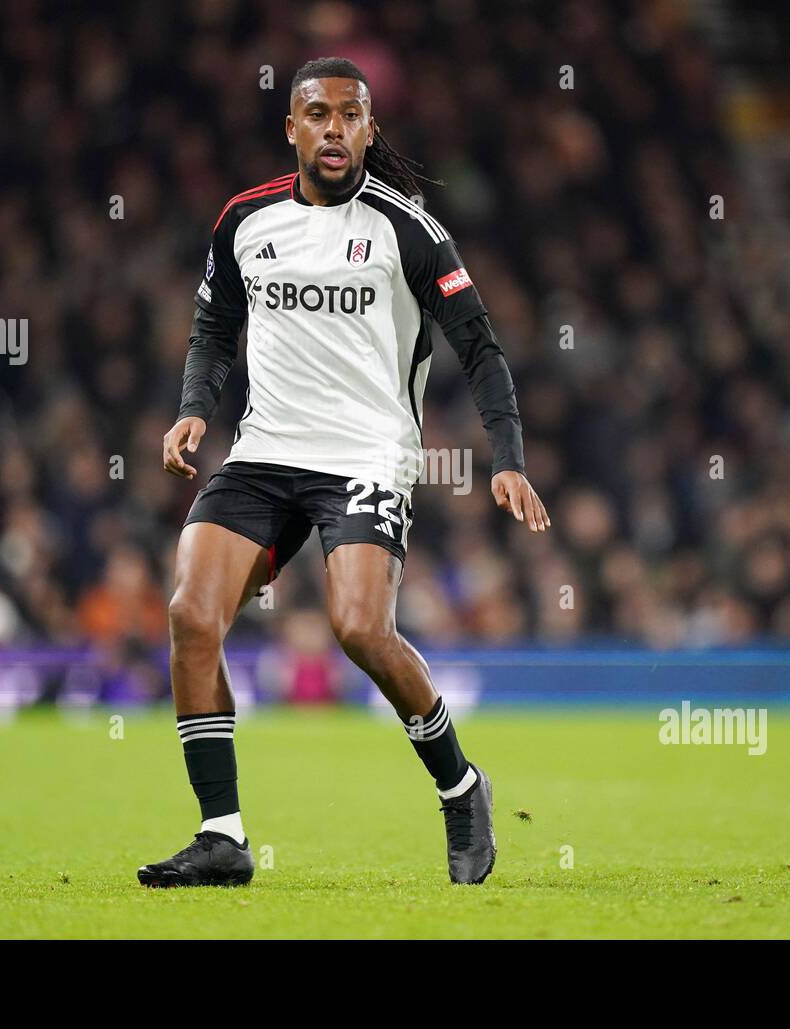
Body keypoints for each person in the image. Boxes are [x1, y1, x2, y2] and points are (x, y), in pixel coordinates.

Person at [137, 57, 549, 888]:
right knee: (190, 613)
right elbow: (213, 326)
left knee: (359, 626)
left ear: (370, 128)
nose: (334, 128)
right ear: (291, 127)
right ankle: (221, 835)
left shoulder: (409, 229)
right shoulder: (245, 221)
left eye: (350, 115)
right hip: (263, 453)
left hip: (364, 454)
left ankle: (461, 785)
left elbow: (480, 344)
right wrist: (194, 407)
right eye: (317, 114)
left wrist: (507, 457)